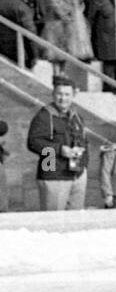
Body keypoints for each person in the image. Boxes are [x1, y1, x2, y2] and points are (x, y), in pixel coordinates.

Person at [26, 75, 87, 210]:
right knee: (53, 222)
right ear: (53, 94)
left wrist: (84, 168)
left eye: (67, 94)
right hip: (53, 175)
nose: (63, 98)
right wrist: (60, 150)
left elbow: (84, 142)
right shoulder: (44, 116)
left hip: (77, 175)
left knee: (75, 223)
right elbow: (33, 142)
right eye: (59, 94)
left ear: (73, 96)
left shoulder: (76, 116)